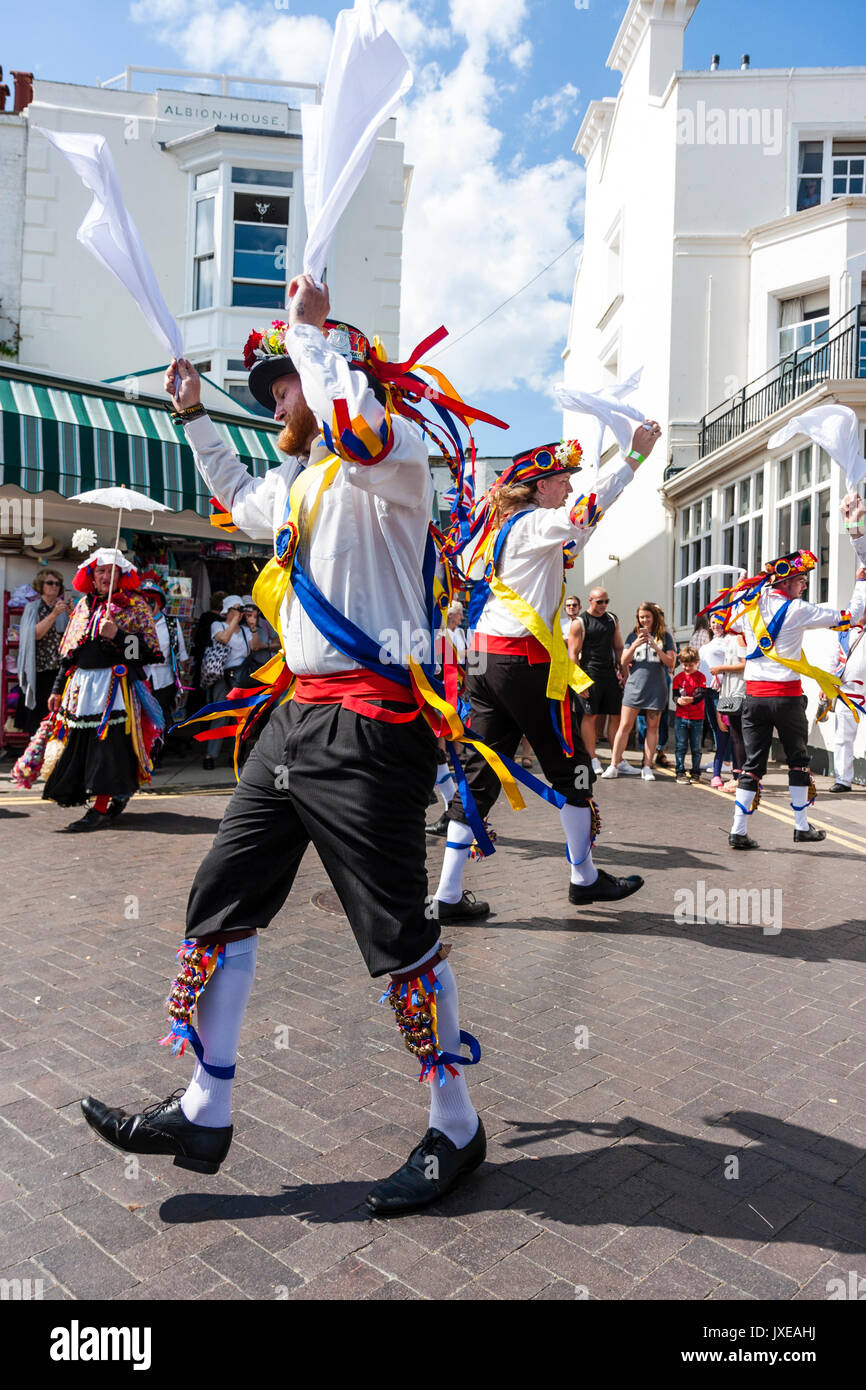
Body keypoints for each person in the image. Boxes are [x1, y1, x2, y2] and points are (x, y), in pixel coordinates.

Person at [80, 276, 493, 1216]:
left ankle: (459, 1127)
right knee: (219, 897)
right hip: (296, 719)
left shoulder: (393, 464)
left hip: (372, 730)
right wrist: (192, 416)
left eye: (285, 384)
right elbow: (237, 496)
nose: (276, 400)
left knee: (395, 934)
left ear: (337, 371)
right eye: (266, 389)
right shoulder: (303, 483)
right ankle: (204, 1107)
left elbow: (357, 418)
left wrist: (315, 339)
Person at [430, 421, 662, 921]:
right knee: (572, 768)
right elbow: (586, 512)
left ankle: (446, 895)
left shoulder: (496, 534)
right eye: (563, 480)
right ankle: (584, 879)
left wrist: (586, 517)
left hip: (482, 664)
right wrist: (635, 458)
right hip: (522, 664)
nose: (570, 487)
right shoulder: (534, 522)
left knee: (479, 773)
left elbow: (577, 533)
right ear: (539, 486)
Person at [716, 502, 866, 850]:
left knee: (751, 765)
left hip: (753, 698)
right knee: (798, 760)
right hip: (785, 698)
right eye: (801, 580)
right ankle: (800, 826)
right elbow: (853, 615)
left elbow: (724, 625)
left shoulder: (747, 605)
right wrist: (861, 580)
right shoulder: (798, 610)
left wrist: (739, 606)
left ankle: (738, 830)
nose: (804, 586)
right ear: (789, 581)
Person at [43, 549, 163, 831]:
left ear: (122, 575)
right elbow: (69, 655)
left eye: (112, 571)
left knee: (107, 748)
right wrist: (57, 690)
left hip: (115, 689)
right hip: (81, 690)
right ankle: (107, 794)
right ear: (91, 576)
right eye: (101, 571)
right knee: (81, 745)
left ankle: (99, 809)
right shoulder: (83, 607)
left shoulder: (134, 606)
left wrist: (118, 636)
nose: (106, 576)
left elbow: (145, 655)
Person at [604, 602, 677, 780]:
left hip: (656, 689)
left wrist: (654, 645)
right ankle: (614, 765)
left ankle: (647, 766)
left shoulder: (665, 636)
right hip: (635, 688)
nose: (644, 620)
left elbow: (671, 663)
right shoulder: (632, 636)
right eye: (641, 617)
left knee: (653, 728)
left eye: (647, 617)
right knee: (625, 726)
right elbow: (623, 660)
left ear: (654, 618)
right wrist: (636, 643)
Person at [828, 500, 866, 792]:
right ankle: (843, 778)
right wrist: (853, 522)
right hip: (848, 691)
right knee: (843, 736)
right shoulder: (846, 631)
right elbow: (860, 547)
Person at [570, 586, 623, 775]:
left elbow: (618, 646)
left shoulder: (612, 619)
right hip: (589, 673)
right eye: (599, 601)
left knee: (616, 715)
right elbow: (573, 655)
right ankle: (591, 758)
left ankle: (618, 758)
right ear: (590, 601)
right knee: (590, 716)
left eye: (606, 601)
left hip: (609, 673)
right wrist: (579, 683)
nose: (603, 605)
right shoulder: (579, 622)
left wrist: (622, 669)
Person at [427, 601, 467, 837]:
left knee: (435, 753)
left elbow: (443, 670)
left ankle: (452, 809)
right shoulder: (436, 635)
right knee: (435, 755)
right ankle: (450, 807)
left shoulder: (440, 637)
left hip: (430, 698)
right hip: (427, 697)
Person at [15, 569, 70, 734]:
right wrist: (54, 614)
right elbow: (36, 634)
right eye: (50, 583)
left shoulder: (62, 607)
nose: (54, 586)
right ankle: (34, 752)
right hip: (38, 668)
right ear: (41, 585)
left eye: (57, 584)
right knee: (37, 717)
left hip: (58, 668)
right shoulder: (33, 608)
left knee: (57, 716)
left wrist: (71, 614)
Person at [140, 575, 188, 763]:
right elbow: (130, 653)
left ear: (159, 603)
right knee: (142, 716)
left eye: (153, 600)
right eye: (145, 599)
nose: (149, 603)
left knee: (160, 716)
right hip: (142, 677)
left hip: (165, 678)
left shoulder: (171, 624)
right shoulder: (135, 623)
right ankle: (143, 753)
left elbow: (181, 653)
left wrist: (181, 680)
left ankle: (157, 754)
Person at [708, 628, 747, 791]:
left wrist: (720, 668)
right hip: (730, 694)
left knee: (739, 739)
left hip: (739, 694)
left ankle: (741, 779)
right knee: (734, 738)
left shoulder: (739, 638)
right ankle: (740, 777)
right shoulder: (730, 639)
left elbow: (744, 665)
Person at [672, 647, 707, 784]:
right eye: (684, 665)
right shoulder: (678, 678)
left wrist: (690, 700)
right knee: (681, 746)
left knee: (696, 747)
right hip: (681, 717)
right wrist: (678, 701)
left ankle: (696, 772)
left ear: (697, 662)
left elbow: (701, 694)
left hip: (697, 718)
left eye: (690, 665)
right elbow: (675, 695)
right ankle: (680, 771)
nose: (687, 668)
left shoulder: (701, 677)